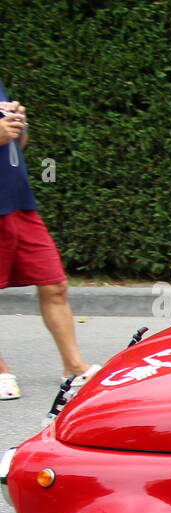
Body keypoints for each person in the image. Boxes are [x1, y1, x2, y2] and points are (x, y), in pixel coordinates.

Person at [0, 81, 95, 400]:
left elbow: (17, 147)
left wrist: (19, 127)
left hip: (19, 203)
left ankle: (74, 366)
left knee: (54, 283)